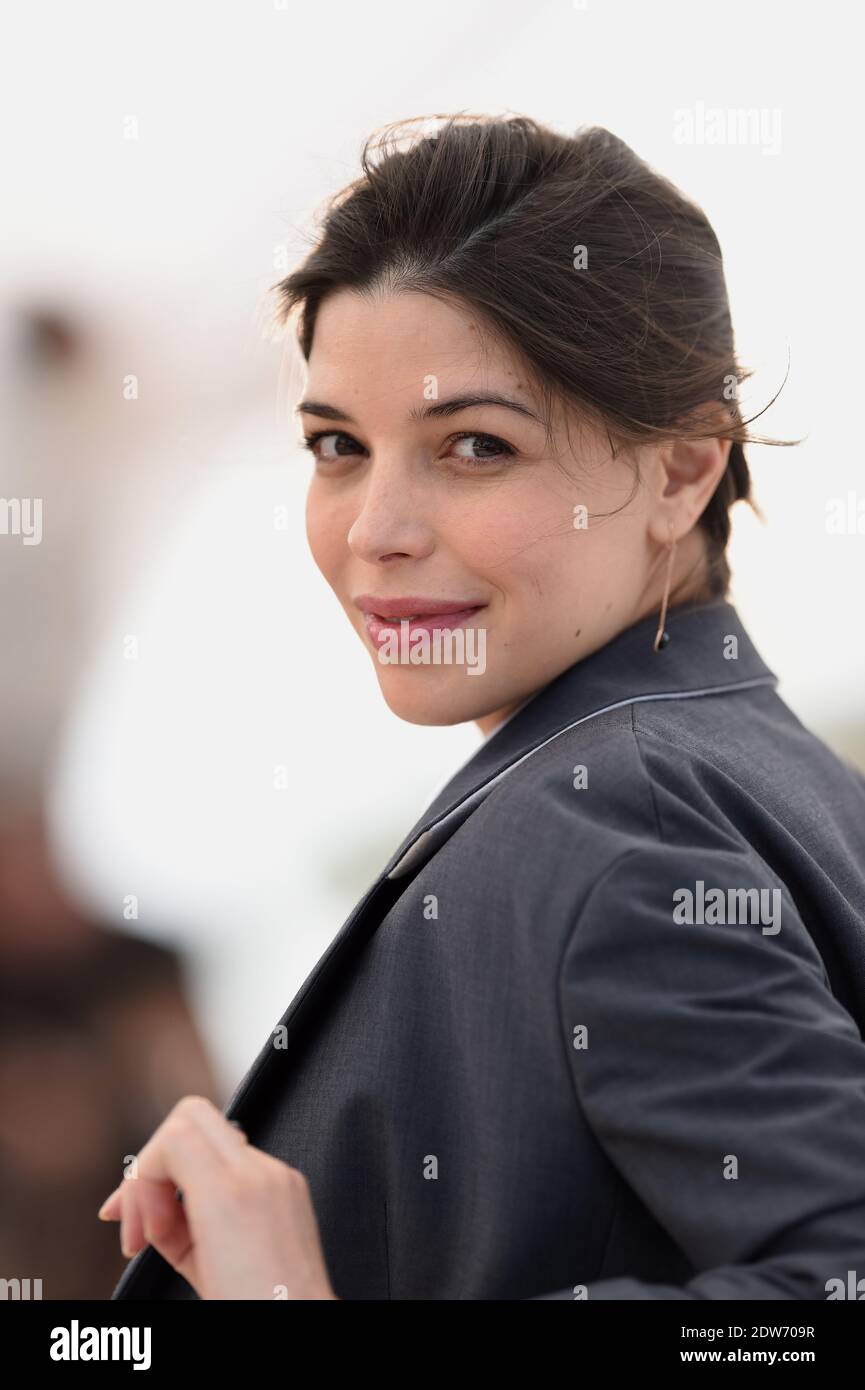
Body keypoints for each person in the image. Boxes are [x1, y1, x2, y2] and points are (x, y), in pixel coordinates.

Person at [104, 115, 865, 1301]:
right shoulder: (759, 773)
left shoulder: (620, 811)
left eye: (471, 445)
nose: (376, 530)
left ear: (680, 470)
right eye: (337, 445)